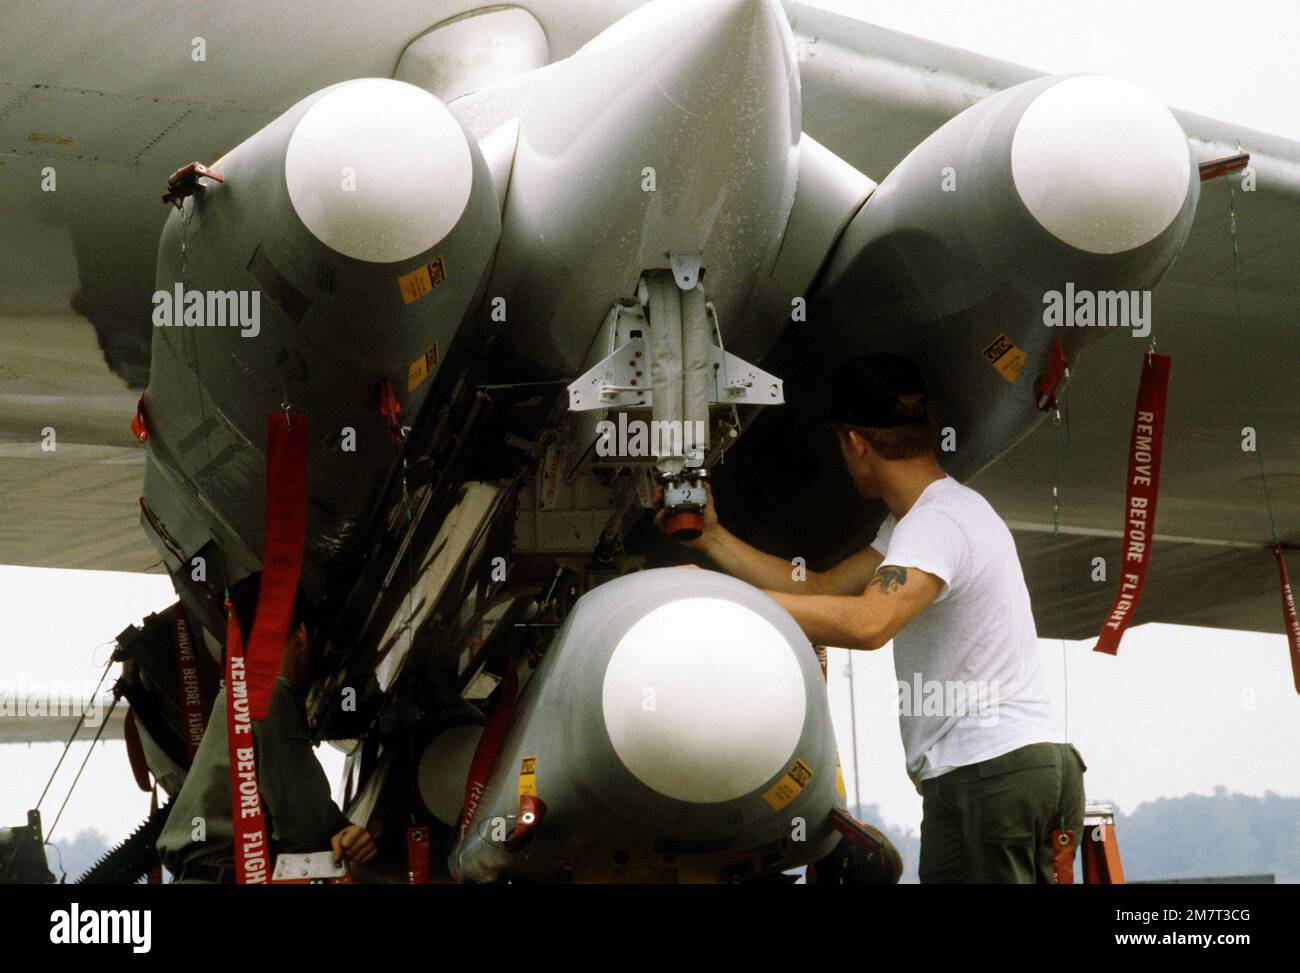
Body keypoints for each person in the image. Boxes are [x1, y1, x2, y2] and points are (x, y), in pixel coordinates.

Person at [656, 352, 1085, 883]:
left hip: (987, 773)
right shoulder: (926, 520)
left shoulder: (934, 525)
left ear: (855, 442)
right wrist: (713, 539)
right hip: (1015, 769)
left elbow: (867, 624)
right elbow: (820, 588)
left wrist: (726, 603)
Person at [156, 574, 377, 882]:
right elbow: (305, 827)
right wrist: (348, 835)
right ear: (301, 635)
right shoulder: (268, 696)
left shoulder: (238, 694)